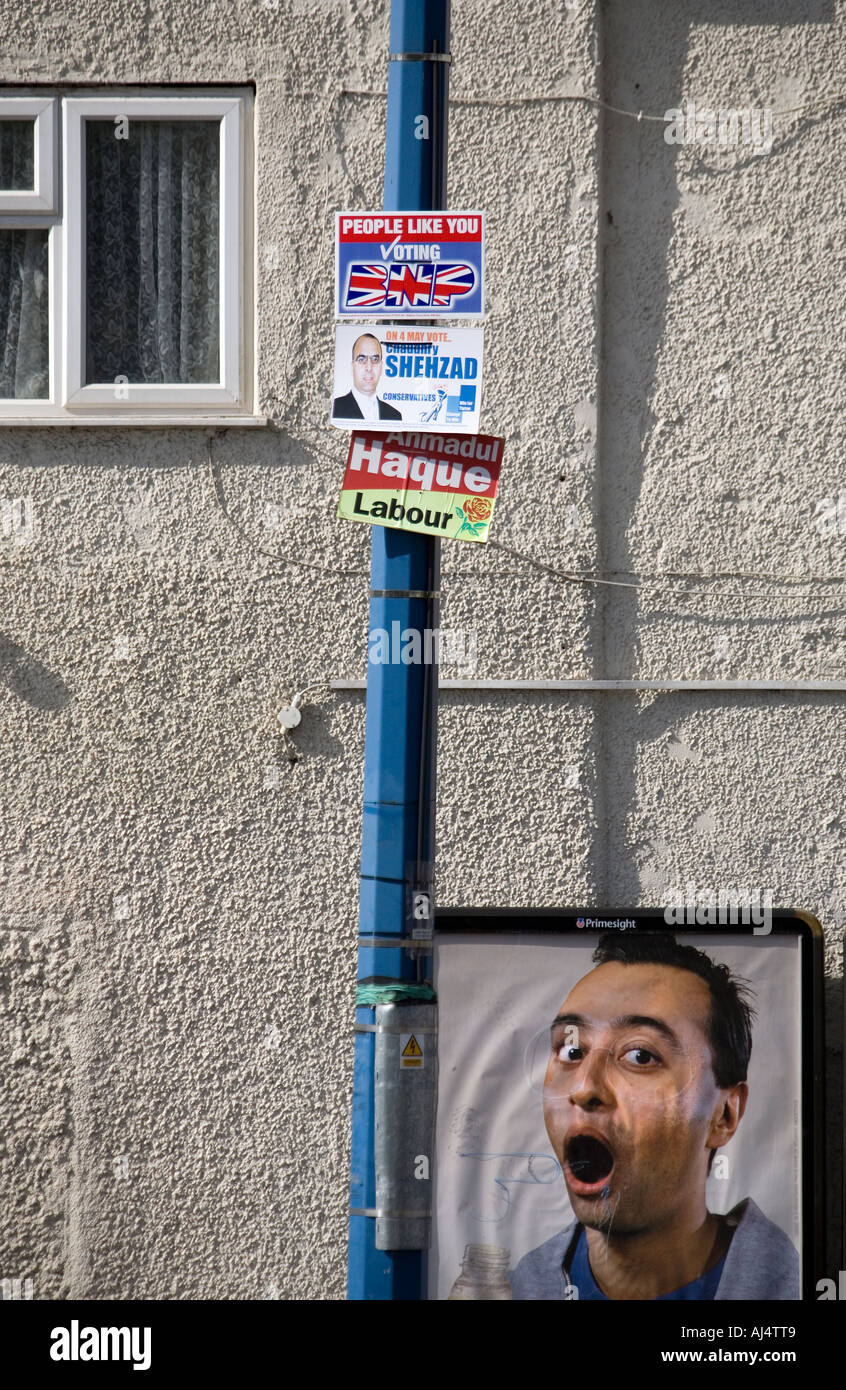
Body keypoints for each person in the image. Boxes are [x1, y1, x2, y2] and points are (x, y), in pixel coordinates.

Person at [511, 933, 799, 1300]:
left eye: (641, 1056)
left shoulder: (790, 1288)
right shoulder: (515, 1289)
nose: (583, 1088)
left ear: (724, 1114)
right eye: (571, 1050)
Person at [332, 333, 402, 421]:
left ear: (381, 366)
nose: (369, 368)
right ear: (352, 366)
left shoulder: (394, 415)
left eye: (375, 359)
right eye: (361, 359)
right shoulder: (335, 408)